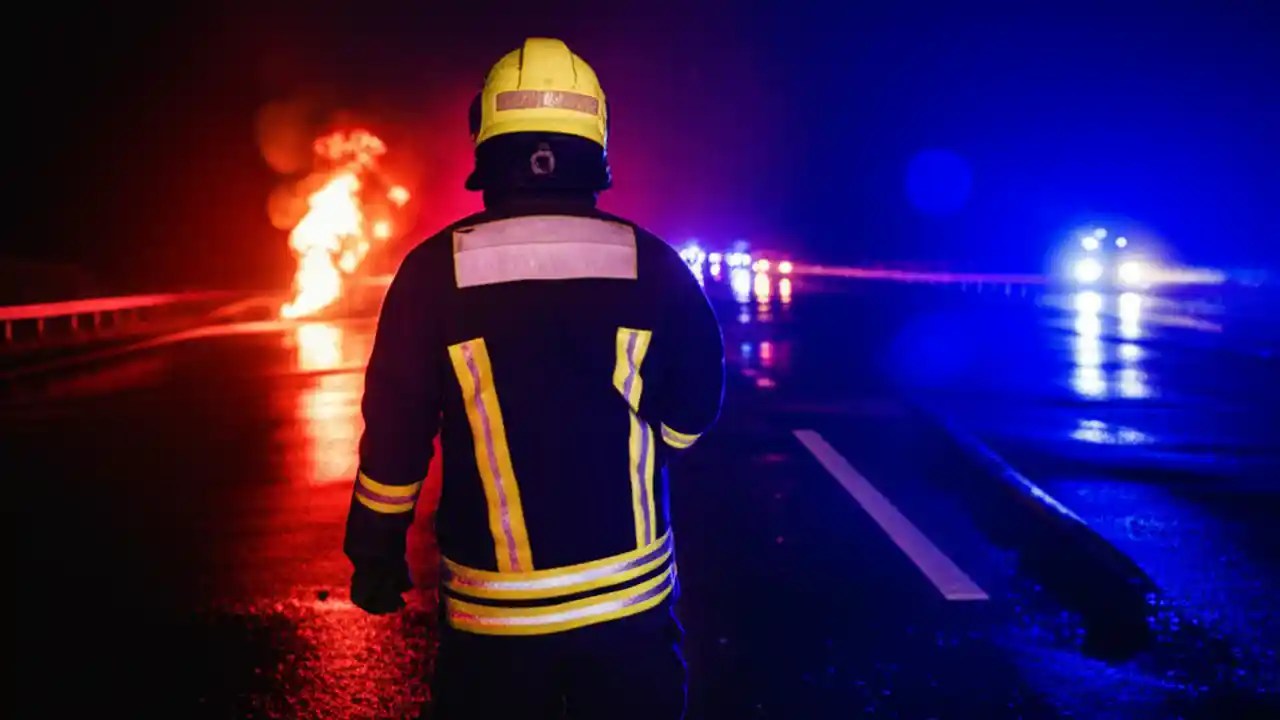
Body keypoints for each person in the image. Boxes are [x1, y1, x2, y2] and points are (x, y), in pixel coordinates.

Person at [342, 37, 725, 719]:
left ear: (485, 141)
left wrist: (374, 552)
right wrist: (659, 444)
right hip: (629, 606)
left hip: (495, 622)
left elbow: (395, 438)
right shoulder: (654, 263)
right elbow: (698, 395)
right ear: (597, 142)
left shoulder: (432, 273)